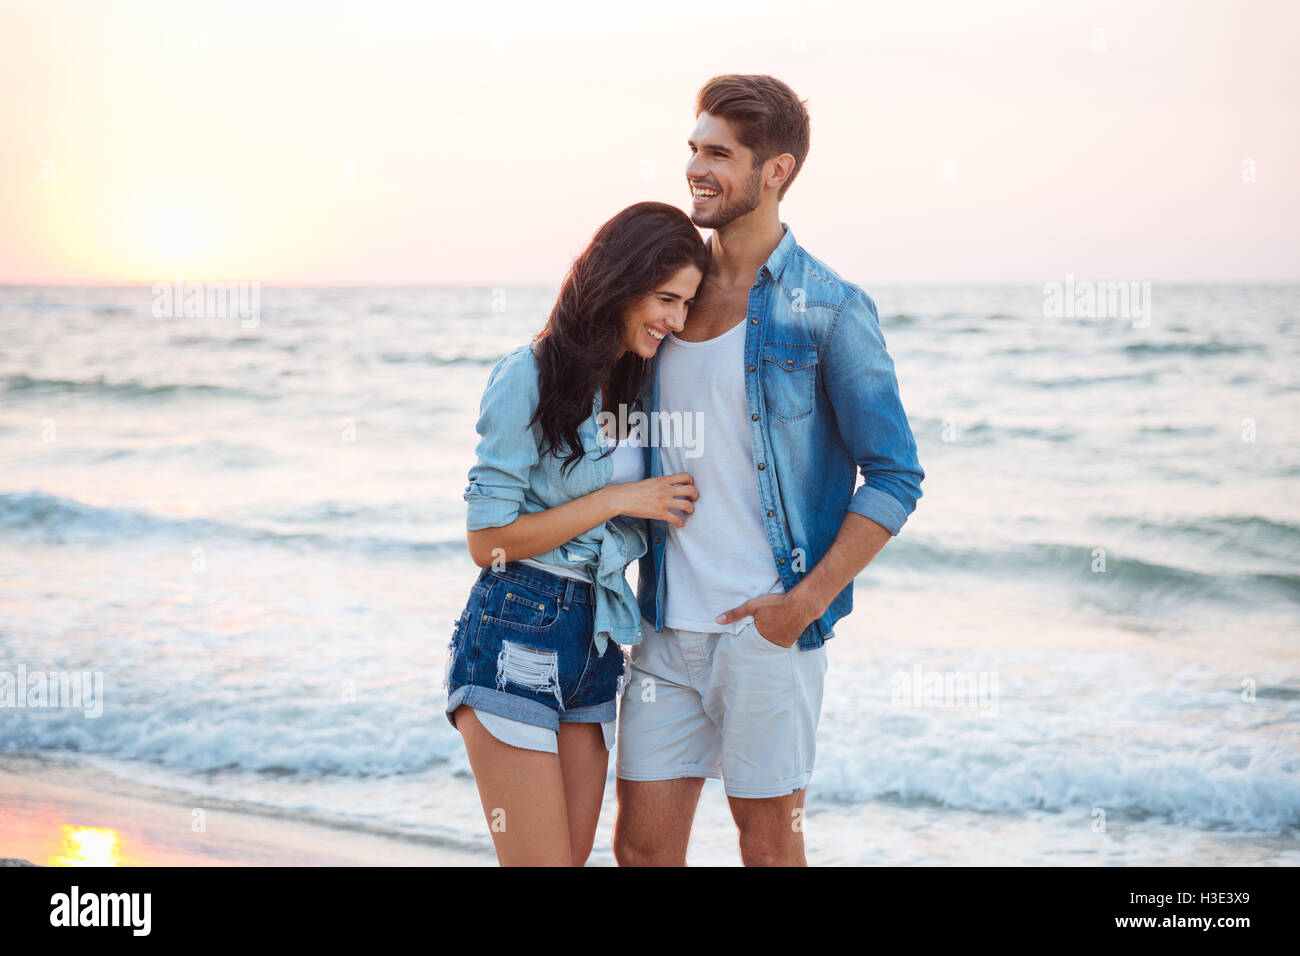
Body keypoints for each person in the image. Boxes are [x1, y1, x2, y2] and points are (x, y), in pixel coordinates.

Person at [613, 75, 926, 866]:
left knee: (769, 852)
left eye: (718, 153)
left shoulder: (828, 307)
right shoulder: (667, 294)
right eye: (693, 148)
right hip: (663, 626)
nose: (695, 167)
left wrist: (801, 604)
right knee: (641, 854)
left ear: (775, 171)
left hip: (764, 631)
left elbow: (894, 474)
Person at [444, 201, 707, 866]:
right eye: (666, 299)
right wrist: (620, 497)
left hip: (594, 642)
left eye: (687, 305)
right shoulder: (528, 375)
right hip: (516, 628)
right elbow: (488, 541)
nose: (676, 321)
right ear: (621, 280)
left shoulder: (633, 382)